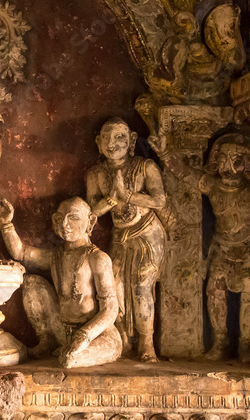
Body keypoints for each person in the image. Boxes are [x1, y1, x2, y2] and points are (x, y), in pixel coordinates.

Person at [150, 132, 250, 362]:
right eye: (223, 159)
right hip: (223, 249)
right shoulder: (213, 187)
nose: (228, 166)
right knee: (215, 289)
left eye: (236, 161)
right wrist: (163, 152)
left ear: (247, 165)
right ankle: (221, 341)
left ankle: (246, 345)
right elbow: (184, 173)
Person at [0, 196, 122, 368]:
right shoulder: (56, 255)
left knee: (69, 360)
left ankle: (71, 349)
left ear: (91, 222)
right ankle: (48, 340)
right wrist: (5, 223)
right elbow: (20, 252)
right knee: (31, 283)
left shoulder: (98, 258)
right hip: (62, 330)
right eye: (60, 218)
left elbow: (111, 309)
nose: (65, 224)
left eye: (73, 217)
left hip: (97, 335)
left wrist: (84, 335)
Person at [86, 118, 169, 362]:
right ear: (98, 144)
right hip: (120, 236)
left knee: (142, 287)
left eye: (120, 137)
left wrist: (128, 196)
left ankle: (146, 343)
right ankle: (121, 337)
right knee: (113, 286)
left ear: (132, 140)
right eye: (107, 138)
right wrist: (112, 199)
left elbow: (159, 201)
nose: (113, 143)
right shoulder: (96, 174)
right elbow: (92, 210)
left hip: (147, 234)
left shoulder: (145, 167)